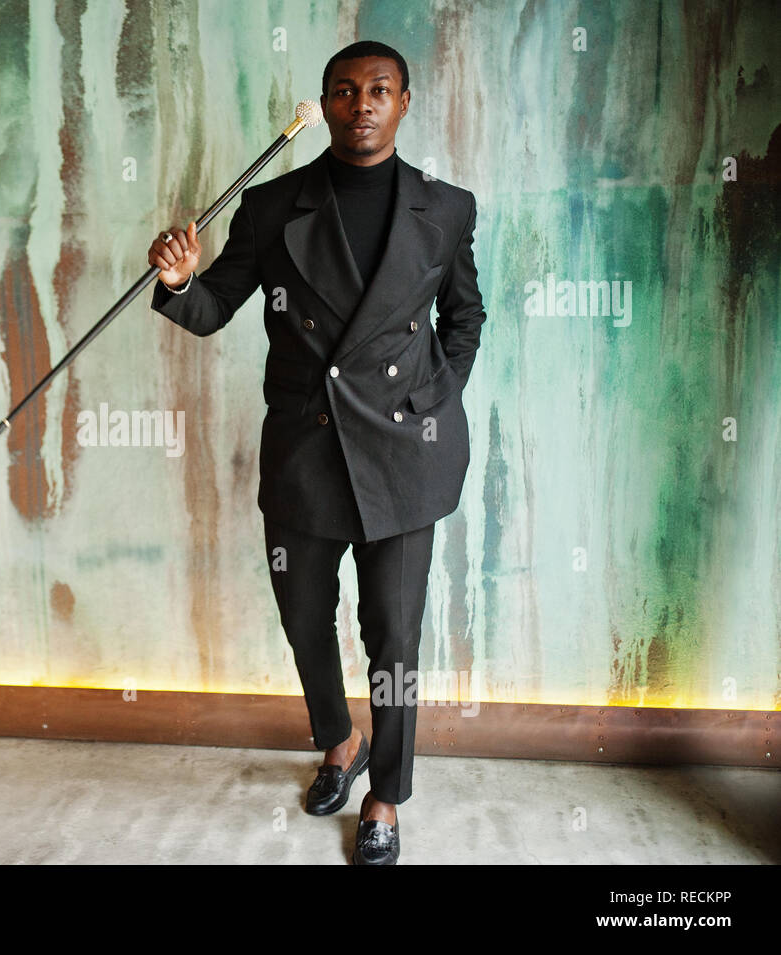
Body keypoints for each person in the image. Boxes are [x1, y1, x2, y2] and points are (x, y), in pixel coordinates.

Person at [146, 41, 487, 864]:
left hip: (406, 457)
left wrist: (429, 401)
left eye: (378, 89)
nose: (360, 103)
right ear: (324, 105)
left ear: (405, 101)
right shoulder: (271, 208)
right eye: (343, 90)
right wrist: (185, 280)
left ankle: (386, 794)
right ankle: (339, 739)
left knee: (394, 637)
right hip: (305, 452)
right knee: (304, 620)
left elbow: (464, 318)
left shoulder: (445, 209)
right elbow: (217, 305)